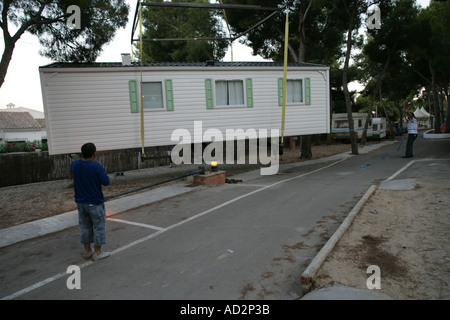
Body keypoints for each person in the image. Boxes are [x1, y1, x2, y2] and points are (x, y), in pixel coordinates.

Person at [70, 143, 110, 261]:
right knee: (99, 227)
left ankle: (87, 251)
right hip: (95, 202)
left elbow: (73, 169)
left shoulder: (75, 165)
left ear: (82, 153)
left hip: (81, 203)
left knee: (85, 226)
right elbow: (106, 181)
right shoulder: (96, 166)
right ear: (94, 154)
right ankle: (97, 252)